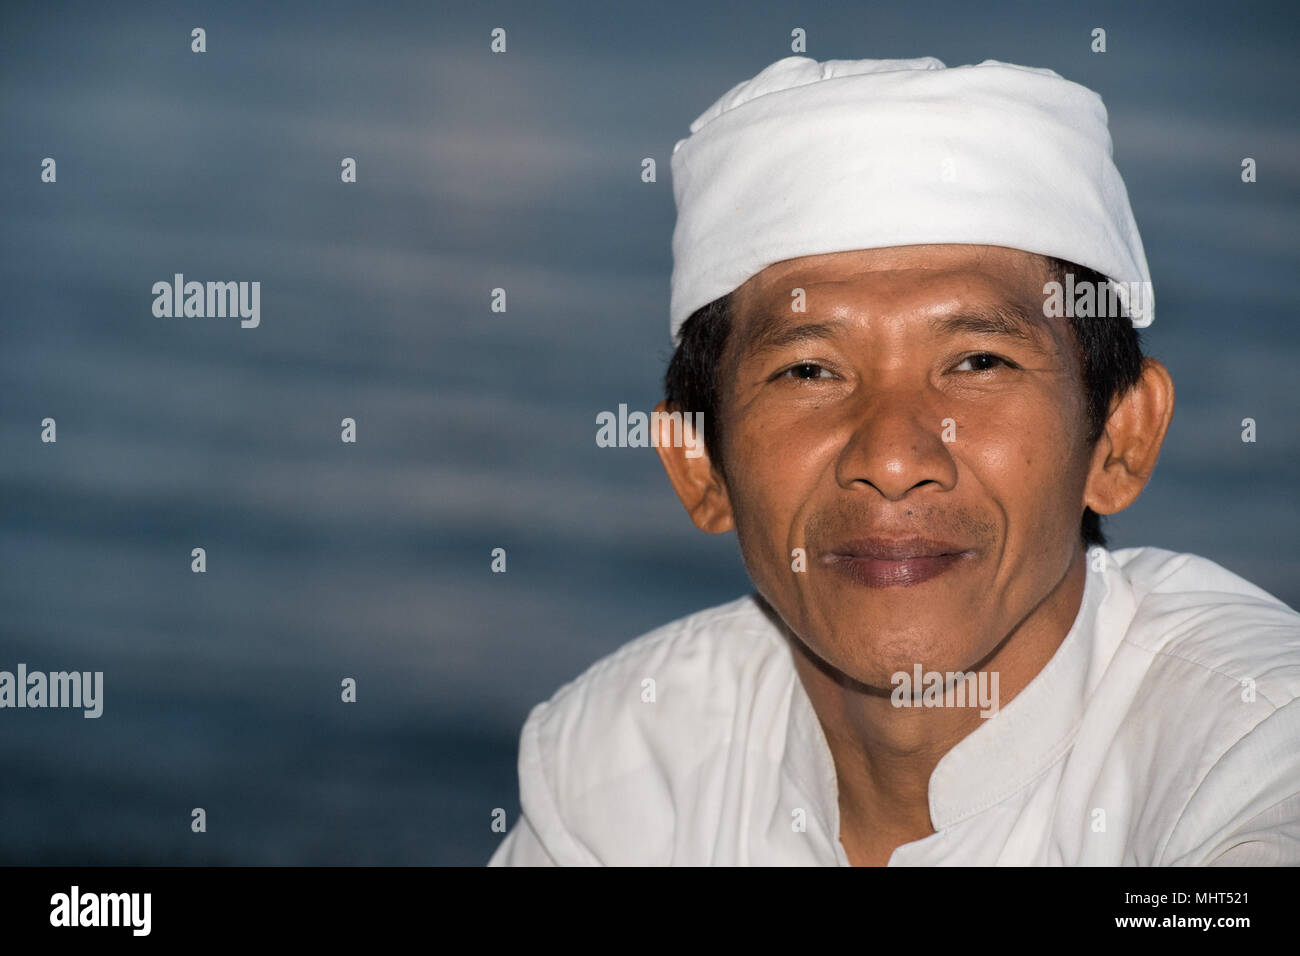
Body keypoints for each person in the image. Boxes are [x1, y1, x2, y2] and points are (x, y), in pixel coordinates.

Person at [489, 56, 1300, 865]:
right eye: (809, 371)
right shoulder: (621, 766)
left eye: (979, 362)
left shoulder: (1257, 738)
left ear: (1120, 439)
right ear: (699, 465)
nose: (893, 456)